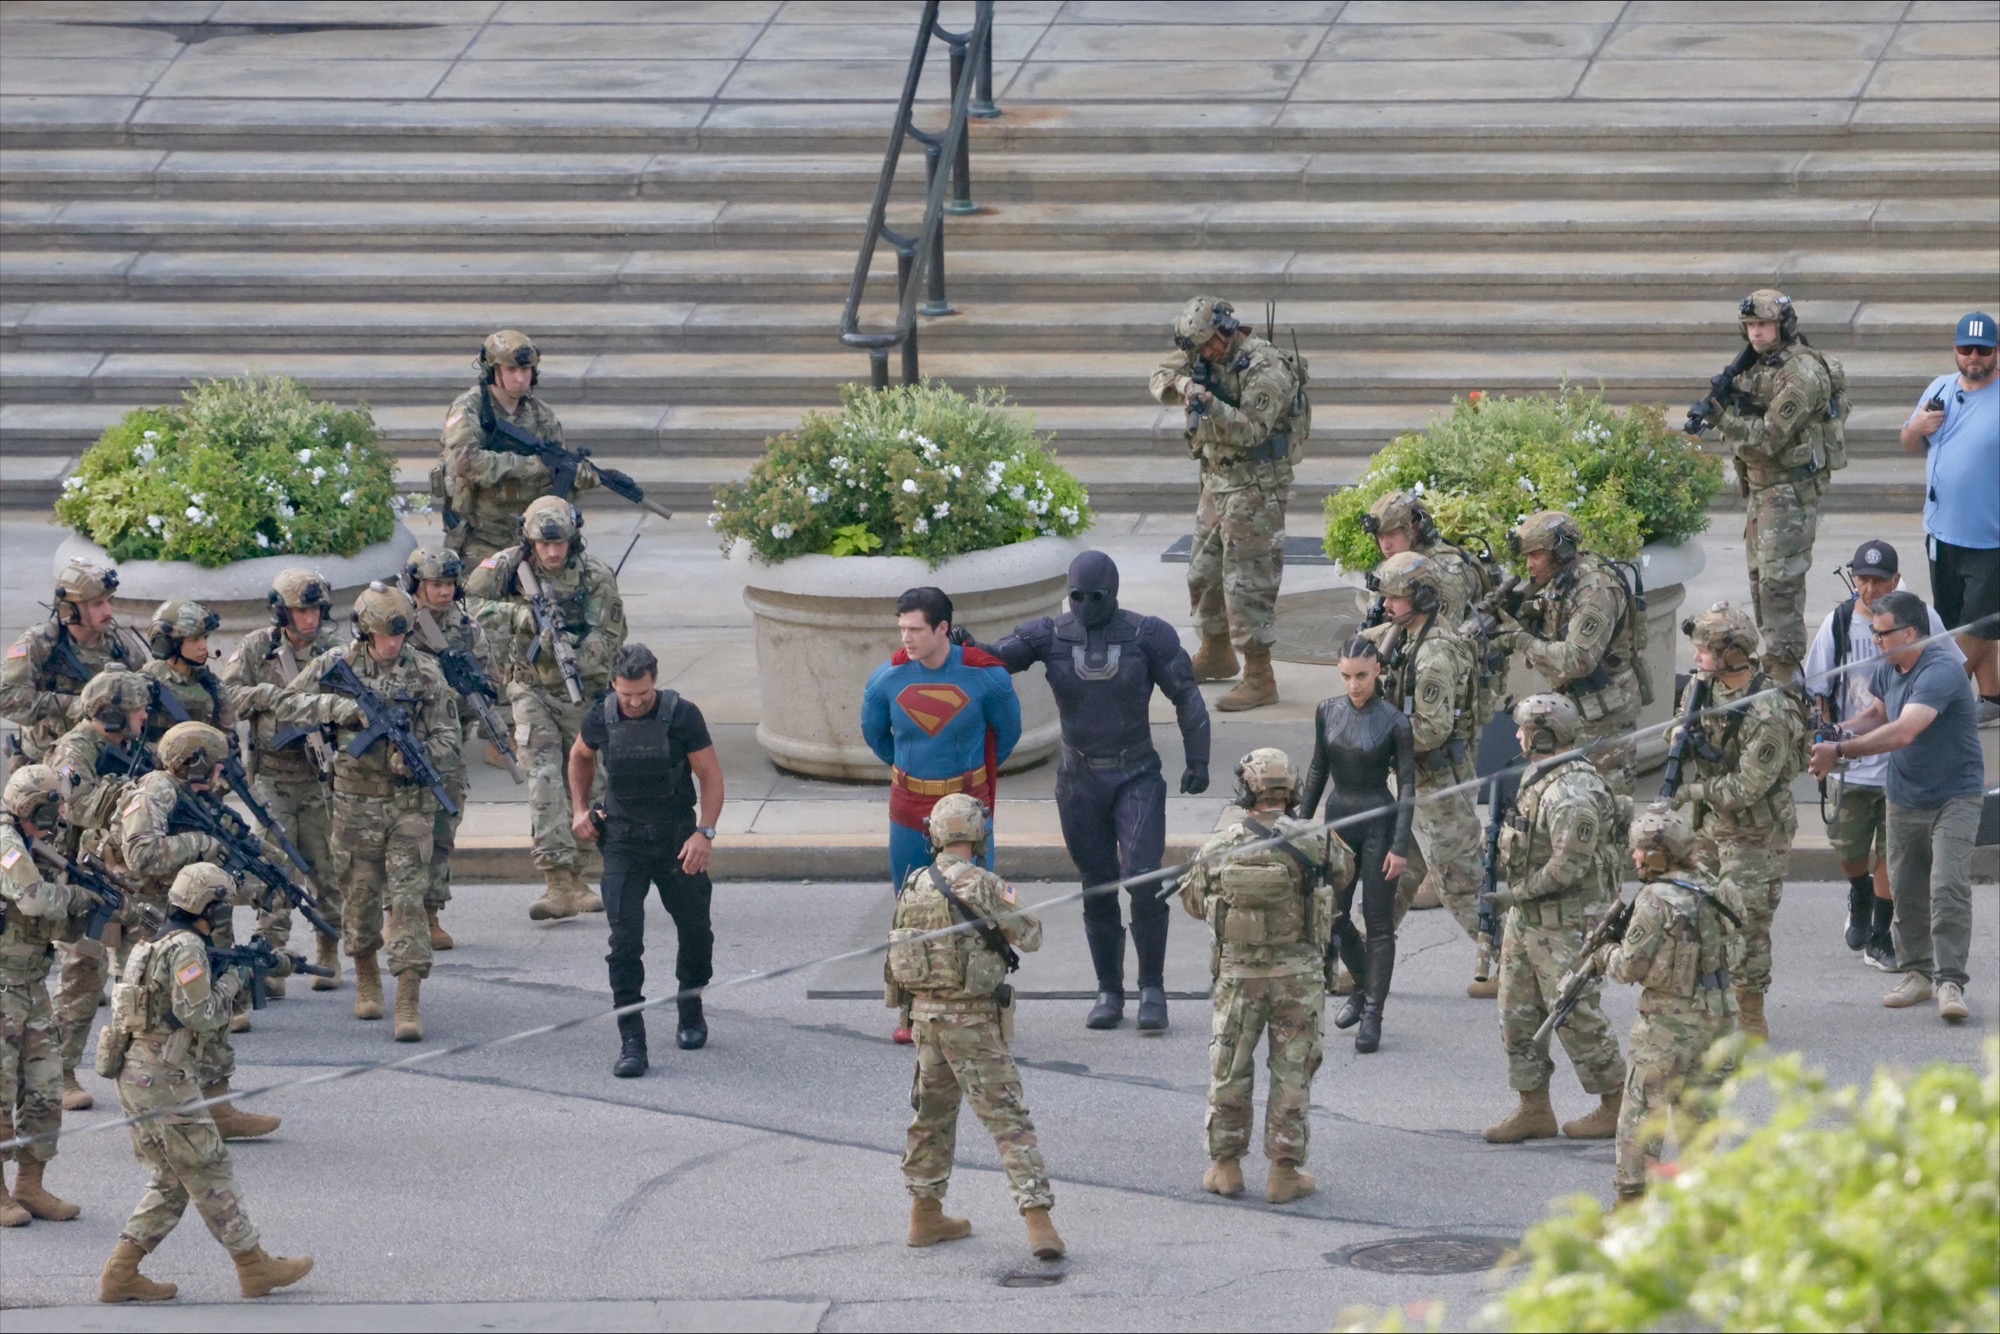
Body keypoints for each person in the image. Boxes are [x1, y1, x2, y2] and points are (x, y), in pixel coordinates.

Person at [988, 550, 1210, 1032]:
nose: (1086, 606)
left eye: (1097, 597)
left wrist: (1199, 760)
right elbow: (997, 659)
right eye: (1078, 597)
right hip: (1079, 778)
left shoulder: (1147, 634)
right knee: (1097, 884)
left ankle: (1152, 987)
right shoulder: (1049, 634)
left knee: (1144, 880)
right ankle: (1108, 989)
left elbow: (1187, 694)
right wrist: (958, 647)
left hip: (1136, 774)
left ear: (1114, 594)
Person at [95, 862, 313, 1304]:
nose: (221, 914)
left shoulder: (149, 944)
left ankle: (120, 1273)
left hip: (134, 1072)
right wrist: (235, 978)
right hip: (165, 1078)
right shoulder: (189, 948)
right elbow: (201, 1015)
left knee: (171, 1180)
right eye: (219, 905)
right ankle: (254, 1267)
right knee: (210, 1169)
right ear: (205, 906)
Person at [887, 792, 1063, 1261]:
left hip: (926, 1020)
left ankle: (925, 1213)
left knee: (931, 1119)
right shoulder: (988, 885)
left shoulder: (913, 885)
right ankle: (1039, 1222)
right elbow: (1033, 936)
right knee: (1008, 1121)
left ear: (935, 836)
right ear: (978, 835)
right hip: (974, 1021)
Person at [281, 584, 458, 1042]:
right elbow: (287, 705)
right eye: (382, 635)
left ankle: (408, 998)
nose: (392, 644)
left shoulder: (426, 673)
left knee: (407, 901)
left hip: (409, 806)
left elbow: (449, 738)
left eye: (399, 635)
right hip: (355, 804)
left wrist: (417, 756)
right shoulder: (337, 665)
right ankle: (366, 978)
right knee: (358, 899)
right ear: (363, 630)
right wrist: (342, 709)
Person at [1180, 749, 1350, 1203]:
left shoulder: (1220, 844)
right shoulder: (1316, 838)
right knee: (1293, 1072)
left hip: (1238, 978)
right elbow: (1344, 873)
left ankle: (1226, 1166)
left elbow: (1195, 902)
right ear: (1290, 789)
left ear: (1246, 789)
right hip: (1298, 976)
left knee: (1230, 1069)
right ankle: (1284, 1173)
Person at [1809, 590, 1987, 1025]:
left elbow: (1905, 731)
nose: (1875, 640)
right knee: (1906, 889)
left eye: (1882, 633)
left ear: (1909, 633)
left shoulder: (1941, 669)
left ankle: (1950, 981)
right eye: (1873, 631)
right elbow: (1879, 714)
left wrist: (1842, 751)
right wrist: (1834, 731)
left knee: (1946, 886)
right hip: (1906, 794)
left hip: (1954, 796)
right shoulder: (1891, 668)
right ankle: (1917, 974)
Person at [863, 587, 1021, 1043]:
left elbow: (1007, 735)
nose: (906, 638)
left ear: (942, 629)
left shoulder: (985, 677)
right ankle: (912, 1010)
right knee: (910, 910)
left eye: (915, 629)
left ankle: (983, 1001)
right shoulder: (887, 679)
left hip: (967, 810)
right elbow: (876, 734)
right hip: (910, 803)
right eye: (902, 629)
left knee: (977, 906)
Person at [465, 496, 624, 922]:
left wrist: (570, 648)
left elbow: (608, 639)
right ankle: (556, 880)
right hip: (529, 689)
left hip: (583, 691)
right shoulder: (504, 565)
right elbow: (470, 607)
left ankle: (580, 875)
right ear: (529, 539)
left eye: (561, 544)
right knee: (544, 777)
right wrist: (521, 616)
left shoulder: (595, 576)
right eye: (543, 544)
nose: (553, 553)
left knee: (589, 782)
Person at [118, 722, 279, 1141]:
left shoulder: (194, 795)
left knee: (211, 1009)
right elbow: (141, 854)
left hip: (198, 914)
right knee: (156, 1018)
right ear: (195, 763)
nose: (221, 773)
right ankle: (154, 1112)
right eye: (216, 764)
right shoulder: (156, 791)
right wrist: (202, 843)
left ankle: (217, 1107)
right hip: (158, 915)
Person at [1803, 541, 1962, 967]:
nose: (1869, 590)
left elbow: (1945, 678)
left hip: (1902, 765)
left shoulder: (1919, 620)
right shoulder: (1841, 625)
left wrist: (1932, 706)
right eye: (1862, 580)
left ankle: (1881, 933)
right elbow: (1828, 691)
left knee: (1895, 855)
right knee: (1849, 847)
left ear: (1896, 580)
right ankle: (1859, 891)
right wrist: (1831, 734)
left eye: (1878, 581)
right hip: (1851, 767)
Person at [1148, 296, 1311, 712]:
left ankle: (1260, 676)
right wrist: (1186, 385)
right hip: (1217, 480)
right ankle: (1216, 651)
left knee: (1247, 583)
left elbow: (1254, 429)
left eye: (1208, 347)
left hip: (1256, 487)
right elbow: (1159, 374)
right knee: (1203, 573)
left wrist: (1211, 406)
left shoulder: (1267, 366)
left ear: (1225, 330)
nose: (1204, 356)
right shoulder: (1201, 353)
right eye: (1198, 350)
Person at [569, 644, 724, 1078]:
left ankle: (690, 1005)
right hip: (623, 841)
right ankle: (631, 1038)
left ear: (654, 680)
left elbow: (711, 776)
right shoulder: (601, 715)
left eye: (642, 693)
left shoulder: (682, 715)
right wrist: (580, 809)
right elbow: (580, 755)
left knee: (696, 930)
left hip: (677, 840)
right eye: (626, 694)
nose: (634, 702)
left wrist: (704, 833)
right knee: (624, 943)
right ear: (614, 686)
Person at [1483, 695, 1626, 1145]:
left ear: (1544, 736)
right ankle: (1534, 1107)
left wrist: (1514, 894)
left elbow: (1569, 867)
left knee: (1575, 1014)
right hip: (1529, 919)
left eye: (1525, 729)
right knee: (1516, 1012)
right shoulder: (1539, 776)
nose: (1519, 736)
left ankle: (1616, 1104)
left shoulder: (1570, 794)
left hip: (1562, 921)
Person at [1667, 602, 1805, 1042]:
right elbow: (1678, 730)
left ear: (1729, 655)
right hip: (1711, 825)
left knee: (1747, 925)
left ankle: (1750, 1011)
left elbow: (1748, 787)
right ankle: (1706, 1003)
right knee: (1693, 910)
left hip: (1757, 832)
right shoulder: (1700, 689)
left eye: (1703, 651)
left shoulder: (1769, 711)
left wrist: (1690, 793)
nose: (1695, 659)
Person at [1359, 551, 1491, 992]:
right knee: (1395, 876)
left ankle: (1513, 963)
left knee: (1460, 882)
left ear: (1422, 597)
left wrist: (1376, 734)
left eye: (1396, 598)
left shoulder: (1434, 653)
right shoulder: (1408, 633)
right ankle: (1362, 961)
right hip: (1413, 781)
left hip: (1437, 784)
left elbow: (1431, 730)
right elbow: (1373, 640)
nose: (1388, 606)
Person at [1602, 805, 1744, 1209]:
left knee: (1641, 1113)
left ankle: (1630, 1205)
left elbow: (1630, 966)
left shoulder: (1654, 899)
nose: (1634, 858)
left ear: (1659, 854)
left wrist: (1604, 954)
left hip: (1667, 1025)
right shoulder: (1719, 888)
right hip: (1719, 1021)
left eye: (1640, 851)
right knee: (1701, 1116)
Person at [1702, 289, 1846, 683]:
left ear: (1783, 325)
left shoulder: (1802, 375)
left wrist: (1723, 420)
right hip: (1763, 491)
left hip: (1789, 493)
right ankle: (1775, 663)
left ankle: (1785, 674)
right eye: (1749, 326)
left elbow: (1767, 439)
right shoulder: (1760, 366)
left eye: (1763, 325)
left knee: (1779, 588)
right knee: (1761, 583)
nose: (1756, 333)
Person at [219, 569, 342, 989]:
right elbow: (227, 698)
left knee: (326, 865)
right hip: (272, 773)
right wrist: (269, 698)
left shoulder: (333, 651)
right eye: (300, 610)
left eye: (315, 610)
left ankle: (329, 944)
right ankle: (273, 955)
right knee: (275, 866)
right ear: (282, 612)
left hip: (318, 776)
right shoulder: (257, 648)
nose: (309, 619)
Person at [1294, 639, 1412, 1054]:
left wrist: (1400, 846)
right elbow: (1317, 766)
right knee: (1333, 917)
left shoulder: (1395, 721)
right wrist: (1299, 825)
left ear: (1377, 670)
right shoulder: (1328, 710)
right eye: (1345, 675)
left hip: (1379, 819)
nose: (1353, 684)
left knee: (1378, 922)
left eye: (1361, 675)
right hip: (1339, 820)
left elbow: (1409, 786)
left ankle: (1374, 1012)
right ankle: (1363, 987)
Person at [46, 667, 154, 1110]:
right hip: (81, 877)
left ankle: (143, 1071)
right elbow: (77, 807)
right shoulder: (74, 750)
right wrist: (133, 794)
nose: (144, 716)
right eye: (136, 709)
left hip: (122, 874)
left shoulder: (124, 747)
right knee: (81, 977)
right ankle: (61, 1071)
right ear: (111, 715)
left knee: (141, 974)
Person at [0, 765, 95, 1227]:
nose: (55, 816)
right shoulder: (6, 843)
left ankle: (30, 1186)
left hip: (30, 983)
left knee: (44, 1085)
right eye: (48, 807)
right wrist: (78, 898)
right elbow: (34, 899)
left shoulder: (36, 842)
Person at [1494, 510, 1647, 798]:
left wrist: (1520, 639)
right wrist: (1520, 613)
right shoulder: (1561, 579)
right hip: (1574, 708)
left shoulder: (1595, 590)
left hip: (1604, 717)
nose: (1529, 565)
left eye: (1536, 555)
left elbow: (1578, 659)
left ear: (1561, 551)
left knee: (1606, 803)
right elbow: (1552, 619)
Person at [1901, 310, 2000, 722]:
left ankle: (1938, 700)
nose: (1973, 357)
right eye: (1965, 349)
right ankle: (1993, 699)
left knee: (1977, 629)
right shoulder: (1939, 388)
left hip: (1990, 540)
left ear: (1997, 352)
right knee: (1957, 621)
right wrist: (1918, 426)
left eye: (1982, 350)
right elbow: (1908, 443)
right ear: (1954, 350)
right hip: (1942, 534)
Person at [403, 547, 501, 951]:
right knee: (406, 832)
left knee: (443, 828)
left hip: (448, 745)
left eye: (448, 584)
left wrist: (471, 689)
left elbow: (490, 679)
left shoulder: (467, 628)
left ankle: (430, 912)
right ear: (416, 585)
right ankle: (400, 914)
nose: (444, 592)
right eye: (435, 584)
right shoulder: (399, 623)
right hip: (404, 741)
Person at [436, 328, 595, 565]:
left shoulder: (541, 415)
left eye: (525, 370)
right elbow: (463, 461)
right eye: (511, 370)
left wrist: (577, 481)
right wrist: (529, 465)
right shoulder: (470, 408)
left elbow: (555, 487)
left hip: (534, 540)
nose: (520, 378)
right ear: (492, 371)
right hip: (481, 539)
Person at [0, 557, 150, 763]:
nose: (108, 611)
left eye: (109, 601)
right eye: (97, 604)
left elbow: (143, 692)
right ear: (69, 609)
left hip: (105, 755)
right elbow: (7, 698)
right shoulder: (38, 643)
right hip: (45, 758)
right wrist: (76, 705)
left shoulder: (120, 646)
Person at [1363, 490, 1489, 625]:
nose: (1385, 545)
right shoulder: (1397, 564)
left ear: (1416, 527)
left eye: (1392, 535)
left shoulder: (1447, 571)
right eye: (1380, 537)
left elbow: (1443, 636)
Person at [138, 601, 235, 746]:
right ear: (168, 643)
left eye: (205, 637)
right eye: (194, 639)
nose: (203, 646)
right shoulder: (146, 685)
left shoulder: (210, 684)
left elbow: (227, 734)